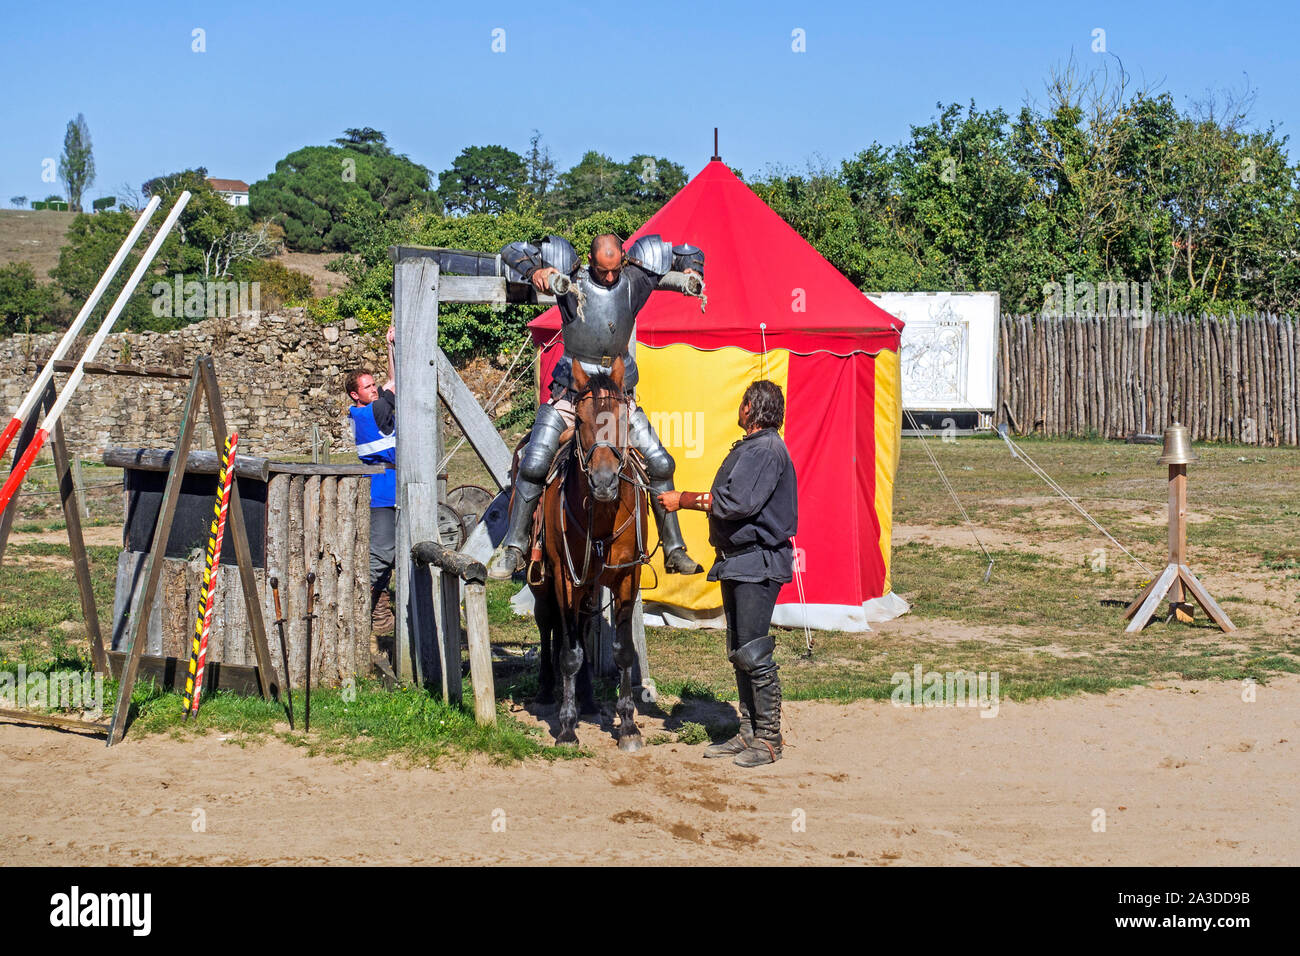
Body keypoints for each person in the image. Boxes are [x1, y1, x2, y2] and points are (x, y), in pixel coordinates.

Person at [486, 232, 706, 579]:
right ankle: (514, 547)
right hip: (572, 392)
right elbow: (511, 248)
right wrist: (535, 273)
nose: (608, 277)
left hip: (618, 396)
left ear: (623, 258)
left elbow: (687, 250)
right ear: (590, 260)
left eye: (613, 269)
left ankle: (674, 548)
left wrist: (692, 273)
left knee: (661, 462)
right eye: (601, 271)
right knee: (535, 461)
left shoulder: (635, 278)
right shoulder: (571, 278)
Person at [658, 380, 797, 767]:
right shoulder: (754, 447)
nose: (738, 408)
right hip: (738, 560)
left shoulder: (767, 449)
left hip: (758, 562)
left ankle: (770, 739)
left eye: (741, 403)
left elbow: (737, 502)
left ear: (750, 407)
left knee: (754, 652)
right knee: (740, 652)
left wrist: (682, 500)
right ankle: (749, 732)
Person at [344, 326, 397, 648]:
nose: (374, 389)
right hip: (382, 492)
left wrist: (390, 347)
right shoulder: (374, 411)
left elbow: (390, 383)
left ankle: (380, 616)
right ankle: (358, 613)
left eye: (373, 384)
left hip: (389, 487)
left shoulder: (366, 409)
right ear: (355, 394)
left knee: (390, 556)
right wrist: (392, 347)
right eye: (367, 387)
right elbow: (395, 383)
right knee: (380, 556)